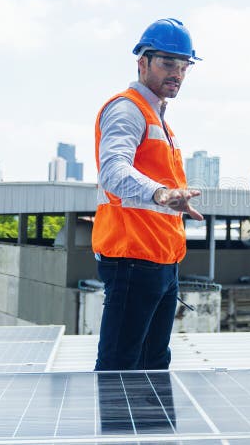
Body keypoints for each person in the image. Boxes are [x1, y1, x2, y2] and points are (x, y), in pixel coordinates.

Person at [92, 18, 203, 371]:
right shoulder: (127, 109)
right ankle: (116, 429)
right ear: (142, 63)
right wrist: (161, 194)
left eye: (184, 66)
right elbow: (112, 171)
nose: (178, 73)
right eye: (168, 63)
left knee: (153, 364)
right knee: (120, 369)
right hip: (133, 259)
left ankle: (150, 428)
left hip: (161, 261)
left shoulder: (160, 120)